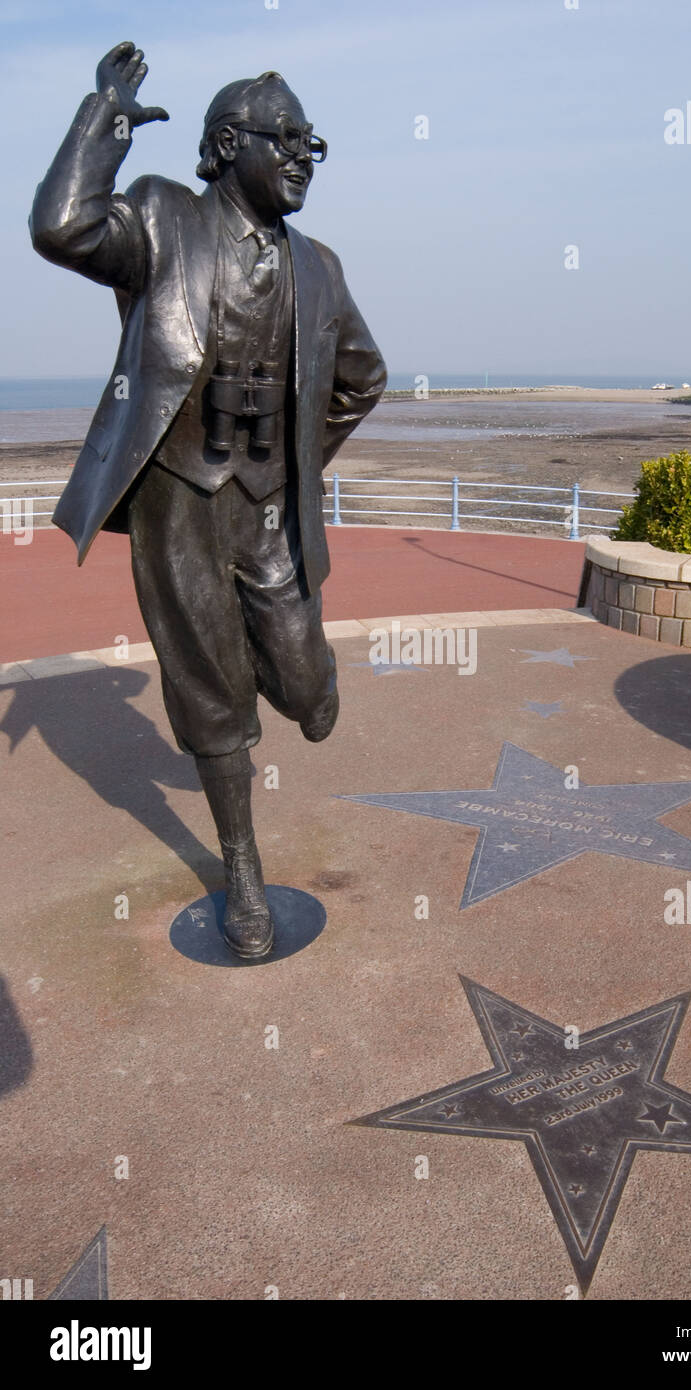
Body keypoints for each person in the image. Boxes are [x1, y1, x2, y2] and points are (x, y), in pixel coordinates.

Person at [30, 42, 387, 958]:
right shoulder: (160, 218)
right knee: (210, 689)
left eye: (315, 145)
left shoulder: (321, 266)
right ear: (229, 144)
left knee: (307, 688)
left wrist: (301, 457)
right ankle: (242, 874)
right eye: (289, 141)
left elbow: (362, 378)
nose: (306, 158)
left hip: (269, 503)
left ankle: (296, 678)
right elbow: (61, 227)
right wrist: (104, 117)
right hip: (179, 495)